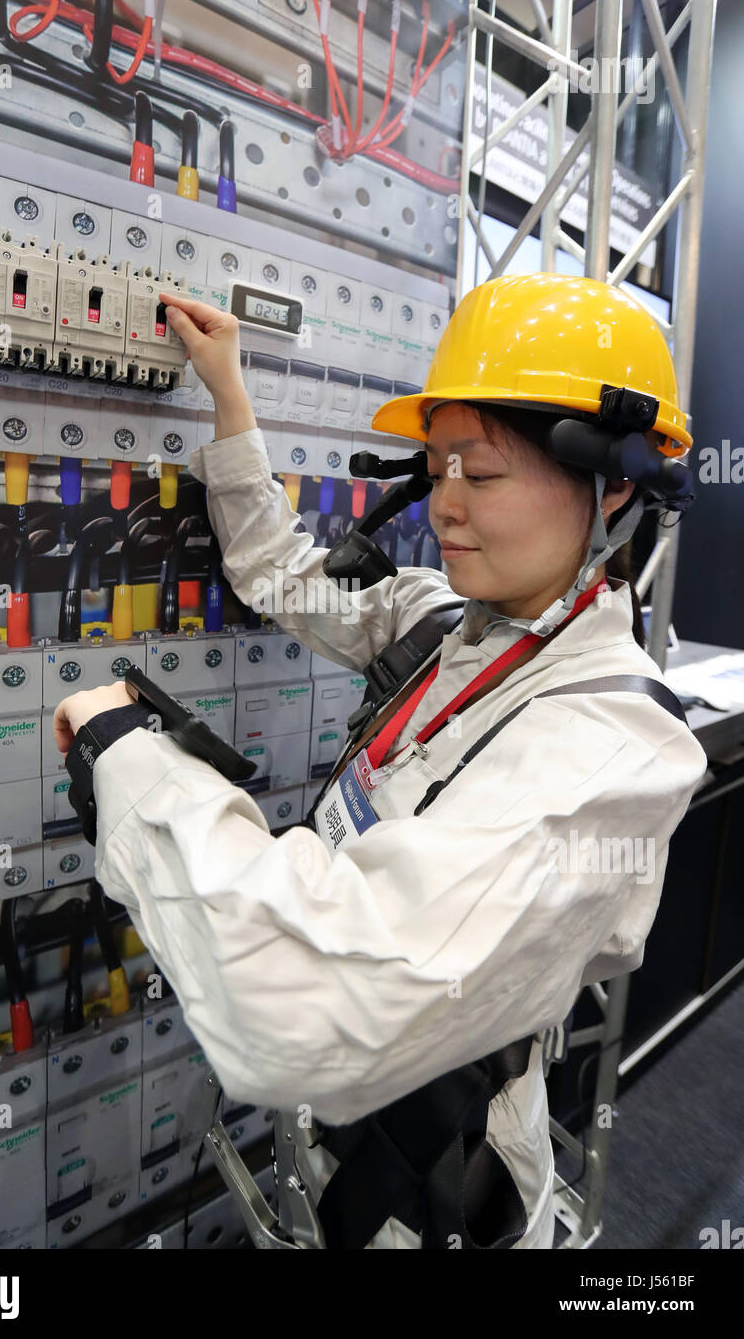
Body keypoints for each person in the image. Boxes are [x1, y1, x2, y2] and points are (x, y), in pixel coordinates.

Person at [53, 273, 708, 1249]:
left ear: (613, 487)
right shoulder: (441, 625)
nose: (444, 504)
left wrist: (123, 755)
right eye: (437, 465)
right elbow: (277, 570)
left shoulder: (615, 754)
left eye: (480, 475)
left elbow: (299, 996)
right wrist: (230, 390)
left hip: (440, 1183)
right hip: (325, 1148)